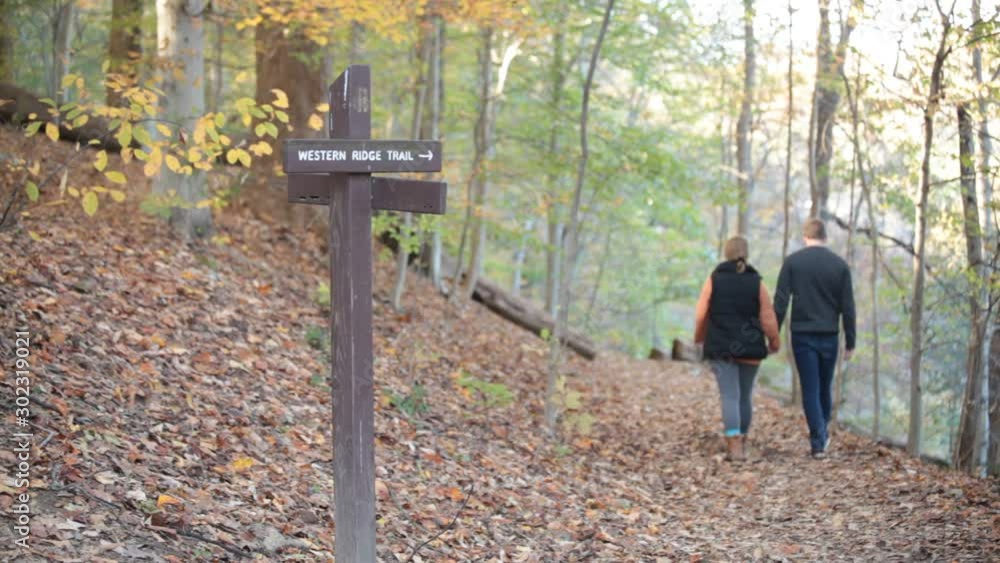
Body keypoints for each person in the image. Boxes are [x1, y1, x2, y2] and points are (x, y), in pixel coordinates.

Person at [773, 218, 856, 460]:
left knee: (810, 387)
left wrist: (773, 335)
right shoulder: (839, 265)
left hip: (802, 334)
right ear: (825, 237)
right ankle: (821, 433)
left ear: (805, 237)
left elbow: (780, 302)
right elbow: (848, 307)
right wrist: (850, 340)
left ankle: (818, 440)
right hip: (830, 335)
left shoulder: (793, 263)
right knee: (824, 385)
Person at [695, 236, 781, 461]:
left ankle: (734, 447)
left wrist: (699, 338)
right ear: (746, 253)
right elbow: (768, 317)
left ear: (726, 253)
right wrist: (774, 341)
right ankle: (741, 441)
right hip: (750, 348)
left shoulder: (714, 279)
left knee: (729, 395)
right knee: (744, 396)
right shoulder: (756, 282)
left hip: (720, 348)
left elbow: (701, 314)